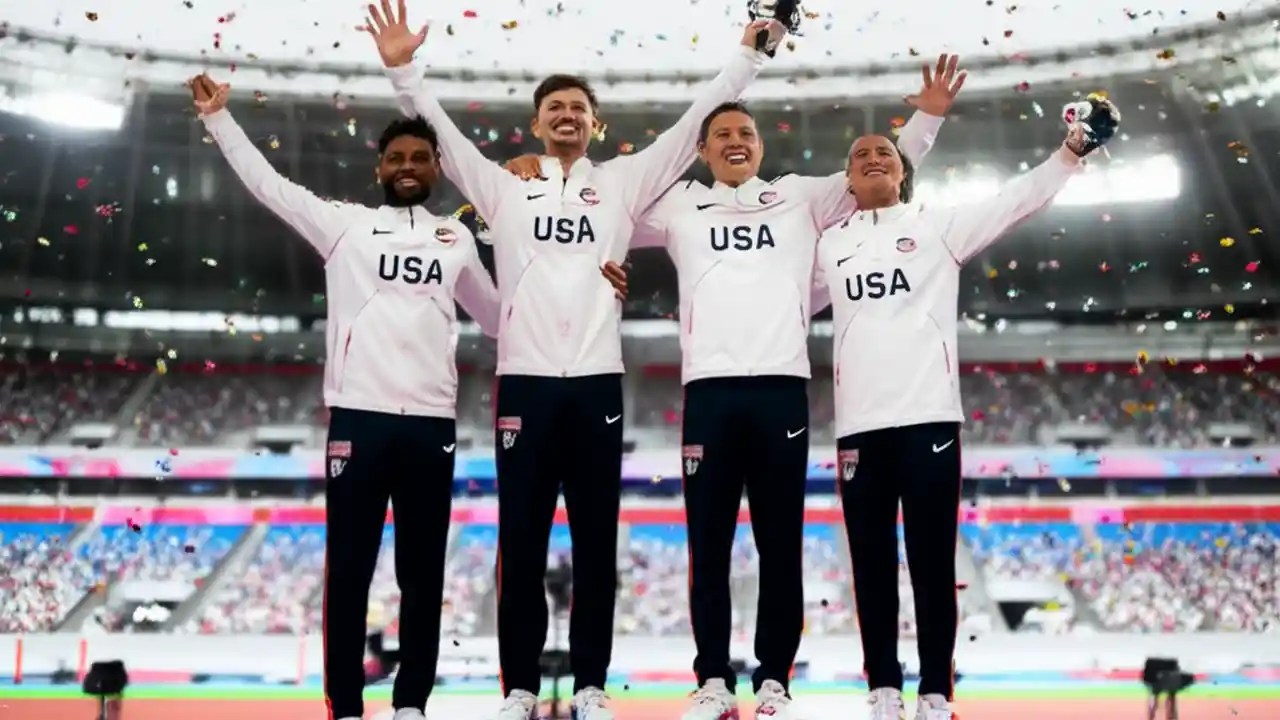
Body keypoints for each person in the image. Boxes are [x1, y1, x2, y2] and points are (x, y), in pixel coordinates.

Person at [504, 53, 964, 720]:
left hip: (782, 390)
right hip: (709, 393)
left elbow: (879, 174)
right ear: (702, 150)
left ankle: (773, 681)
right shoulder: (675, 206)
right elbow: (591, 218)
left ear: (760, 145)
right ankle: (714, 681)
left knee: (780, 546)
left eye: (745, 133)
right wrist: (540, 169)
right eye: (721, 135)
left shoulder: (800, 198)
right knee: (709, 547)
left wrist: (928, 120)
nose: (735, 142)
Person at [359, 2, 786, 719]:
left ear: (595, 125)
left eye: (578, 109)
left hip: (596, 384)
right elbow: (443, 137)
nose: (566, 116)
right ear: (536, 124)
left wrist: (748, 55)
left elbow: (694, 125)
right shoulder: (502, 187)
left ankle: (590, 686)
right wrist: (405, 70)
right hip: (524, 382)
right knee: (521, 545)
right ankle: (520, 690)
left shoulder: (623, 182)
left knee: (595, 546)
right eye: (554, 108)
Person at [188, 72, 500, 720]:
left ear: (436, 167)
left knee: (423, 574)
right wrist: (220, 119)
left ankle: (411, 706)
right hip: (360, 420)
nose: (408, 166)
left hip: (432, 424)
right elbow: (270, 186)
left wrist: (572, 273)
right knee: (349, 571)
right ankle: (348, 708)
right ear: (379, 167)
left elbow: (499, 317)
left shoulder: (457, 239)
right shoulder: (345, 227)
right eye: (397, 157)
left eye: (420, 157)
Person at [815, 95, 1120, 720]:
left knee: (932, 565)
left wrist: (1070, 153)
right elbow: (765, 291)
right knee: (871, 568)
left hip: (929, 419)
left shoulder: (938, 225)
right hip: (859, 427)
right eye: (860, 154)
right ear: (846, 179)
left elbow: (1014, 200)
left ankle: (934, 694)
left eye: (885, 151)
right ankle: (882, 693)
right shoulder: (825, 246)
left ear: (903, 169)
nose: (873, 157)